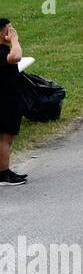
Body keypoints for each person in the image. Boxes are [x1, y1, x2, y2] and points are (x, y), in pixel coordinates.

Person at [0, 19, 25, 185]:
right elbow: (16, 56)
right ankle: (3, 174)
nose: (13, 32)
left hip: (7, 97)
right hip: (5, 100)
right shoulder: (2, 52)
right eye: (10, 29)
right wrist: (14, 40)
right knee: (5, 138)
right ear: (2, 34)